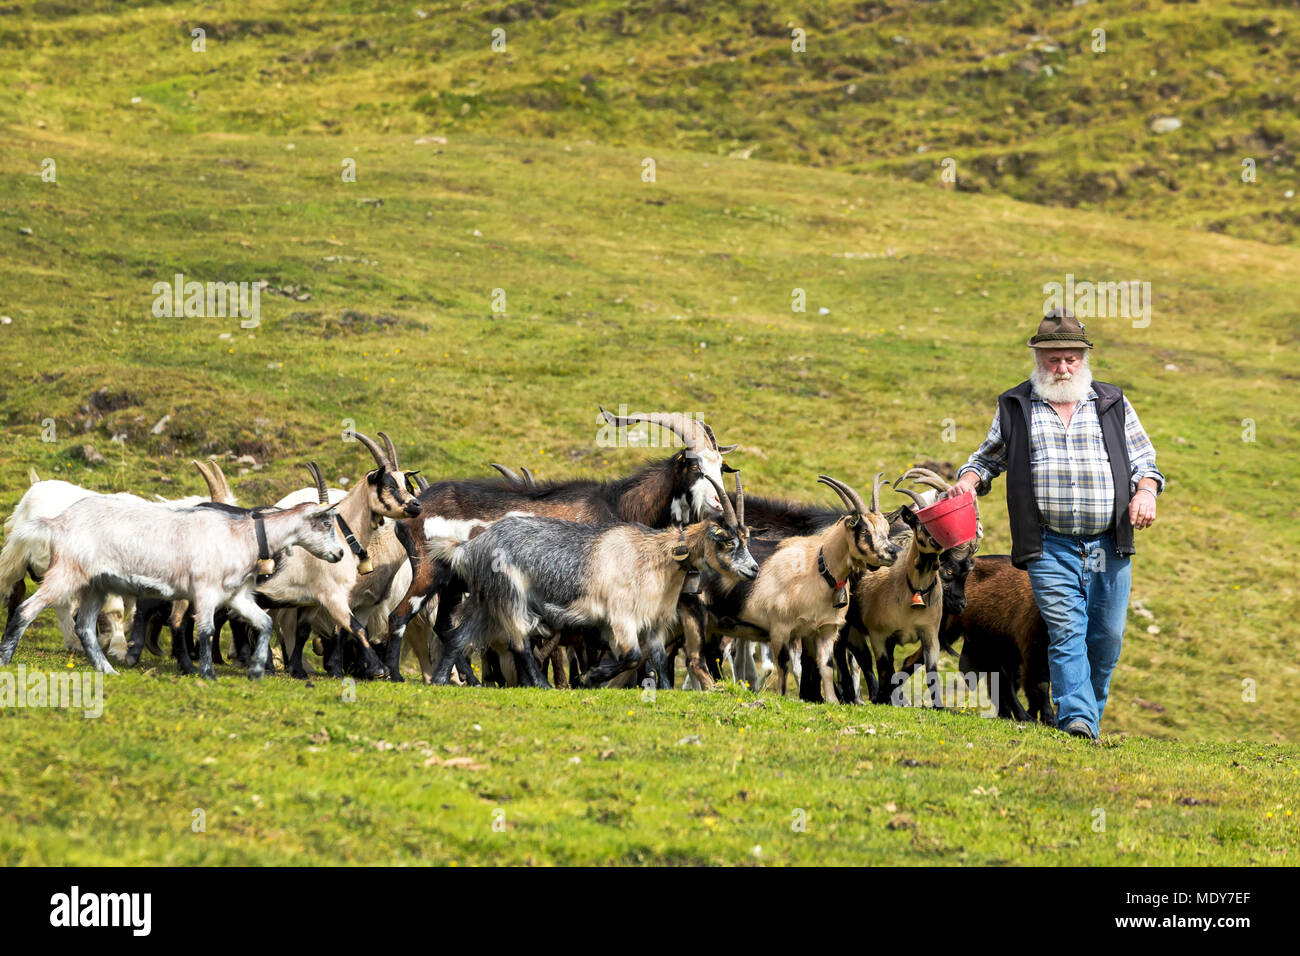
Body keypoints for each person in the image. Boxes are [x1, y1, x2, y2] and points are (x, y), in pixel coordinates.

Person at [948, 309, 1163, 739]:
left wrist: (1145, 492)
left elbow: (1145, 462)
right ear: (1037, 358)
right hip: (1049, 544)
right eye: (1053, 359)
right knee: (1066, 632)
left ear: (1084, 358)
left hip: (1108, 544)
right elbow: (988, 458)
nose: (1062, 368)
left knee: (1105, 639)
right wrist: (967, 482)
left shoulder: (1111, 402)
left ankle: (1089, 716)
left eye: (1071, 359)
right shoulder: (1015, 405)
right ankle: (1077, 720)